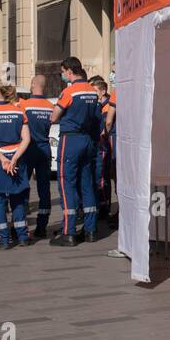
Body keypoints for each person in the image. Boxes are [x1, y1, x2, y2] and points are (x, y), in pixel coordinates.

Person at [46, 58, 102, 246]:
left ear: (69, 71)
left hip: (70, 139)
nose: (63, 75)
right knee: (87, 184)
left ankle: (68, 232)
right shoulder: (92, 91)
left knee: (66, 183)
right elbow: (97, 119)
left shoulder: (69, 92)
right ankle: (90, 230)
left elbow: (54, 116)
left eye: (63, 72)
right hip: (87, 140)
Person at [0, 81, 31, 249]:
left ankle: (3, 239)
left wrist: (3, 159)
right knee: (18, 198)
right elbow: (26, 139)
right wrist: (14, 158)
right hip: (17, 157)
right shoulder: (19, 112)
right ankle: (22, 236)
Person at [18, 75, 55, 238]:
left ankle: (21, 225)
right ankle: (42, 226)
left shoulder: (23, 105)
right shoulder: (50, 106)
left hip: (27, 148)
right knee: (44, 189)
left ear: (33, 84)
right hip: (44, 148)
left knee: (21, 186)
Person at [92, 76, 116, 225]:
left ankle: (103, 207)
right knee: (103, 176)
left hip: (105, 144)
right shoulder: (101, 105)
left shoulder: (107, 107)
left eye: (95, 91)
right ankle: (103, 205)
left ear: (102, 91)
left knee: (102, 177)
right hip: (103, 144)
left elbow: (107, 124)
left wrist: (102, 136)